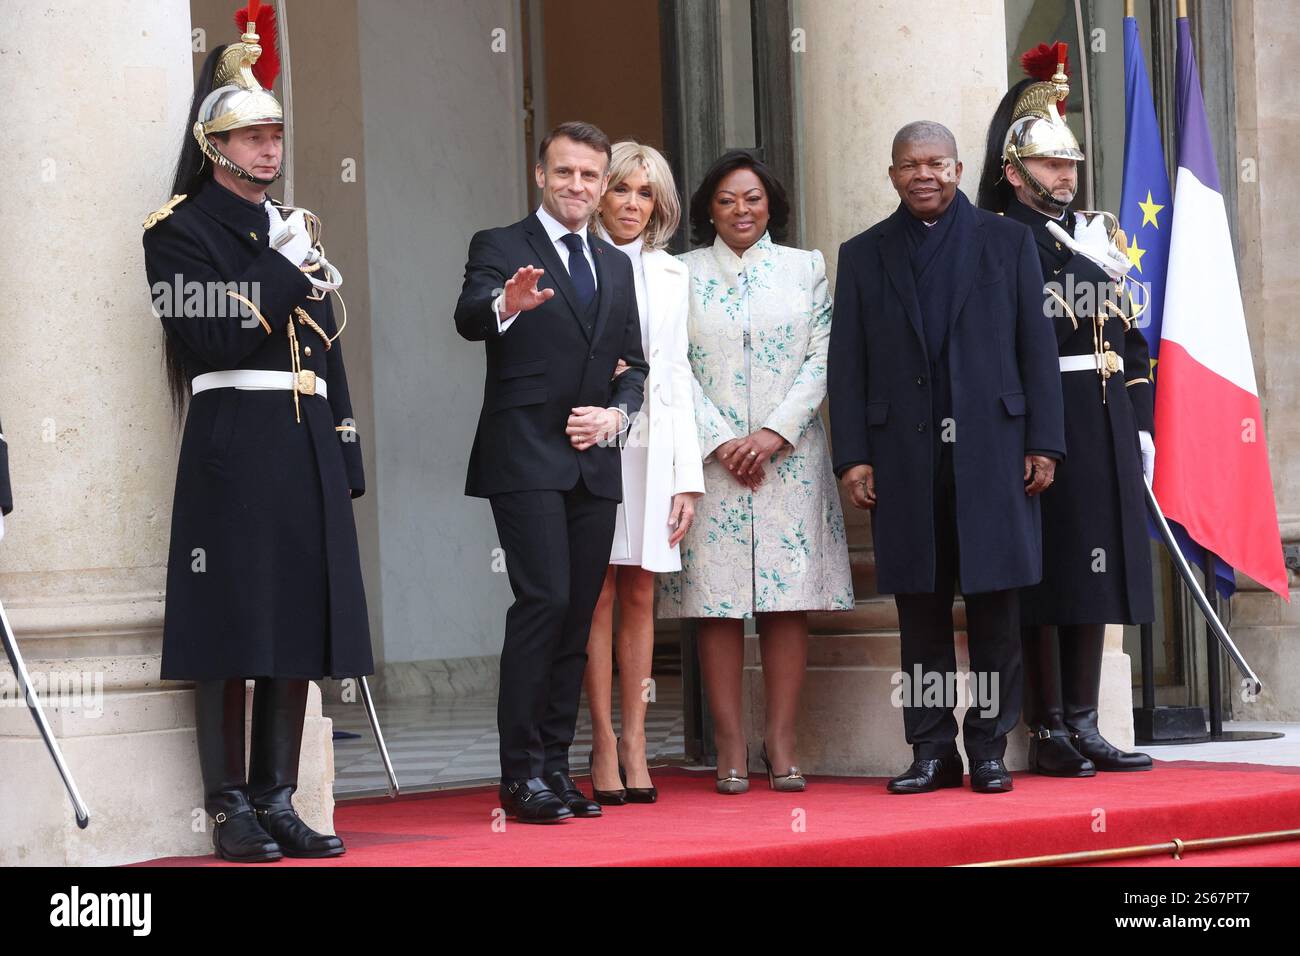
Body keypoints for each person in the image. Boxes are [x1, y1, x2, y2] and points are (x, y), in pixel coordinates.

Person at [142, 4, 371, 861]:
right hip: (233, 443)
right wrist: (281, 261)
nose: (269, 151)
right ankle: (228, 803)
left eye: (274, 136)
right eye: (251, 139)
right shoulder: (177, 235)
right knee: (229, 625)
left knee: (296, 626)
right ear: (215, 148)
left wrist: (343, 446)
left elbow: (325, 347)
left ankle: (277, 795)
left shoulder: (291, 228)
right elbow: (217, 334)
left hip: (304, 437)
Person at [828, 121, 1065, 794]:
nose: (923, 174)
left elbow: (1035, 352)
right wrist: (854, 456)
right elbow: (847, 367)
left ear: (959, 169)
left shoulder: (1008, 242)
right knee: (921, 614)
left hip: (994, 453)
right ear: (893, 174)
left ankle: (987, 748)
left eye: (936, 162)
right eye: (909, 165)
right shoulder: (864, 253)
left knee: (994, 612)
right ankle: (932, 749)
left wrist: (1044, 442)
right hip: (904, 458)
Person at [455, 121, 649, 824]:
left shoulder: (618, 265)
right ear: (542, 175)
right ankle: (518, 776)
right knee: (542, 603)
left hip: (593, 460)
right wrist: (509, 303)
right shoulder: (502, 246)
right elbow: (469, 316)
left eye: (590, 176)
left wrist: (615, 417)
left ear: (601, 186)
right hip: (524, 455)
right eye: (565, 172)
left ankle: (554, 768)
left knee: (576, 616)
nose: (577, 186)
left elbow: (636, 367)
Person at [977, 42, 1153, 774]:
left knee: (1097, 571)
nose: (1066, 175)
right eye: (1051, 164)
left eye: (1071, 163)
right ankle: (1047, 729)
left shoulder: (1100, 232)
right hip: (1043, 416)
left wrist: (1141, 422)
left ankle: (1085, 722)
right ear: (1014, 172)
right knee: (1046, 574)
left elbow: (1133, 336)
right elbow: (1017, 336)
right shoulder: (1004, 238)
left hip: (1104, 411)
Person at [659, 150, 853, 795]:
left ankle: (783, 741)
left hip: (789, 458)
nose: (740, 210)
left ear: (772, 204)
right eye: (725, 200)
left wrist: (773, 434)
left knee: (785, 603)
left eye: (752, 199)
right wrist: (719, 439)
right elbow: (670, 361)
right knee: (713, 604)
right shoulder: (679, 274)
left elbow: (825, 355)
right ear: (706, 210)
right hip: (708, 462)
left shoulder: (805, 269)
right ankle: (730, 746)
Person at [583, 141, 704, 805]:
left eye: (645, 192)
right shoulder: (576, 260)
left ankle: (635, 740)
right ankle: (600, 739)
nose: (631, 203)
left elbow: (679, 373)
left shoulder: (672, 274)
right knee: (596, 593)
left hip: (657, 448)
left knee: (640, 594)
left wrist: (688, 475)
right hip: (594, 444)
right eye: (621, 188)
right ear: (599, 192)